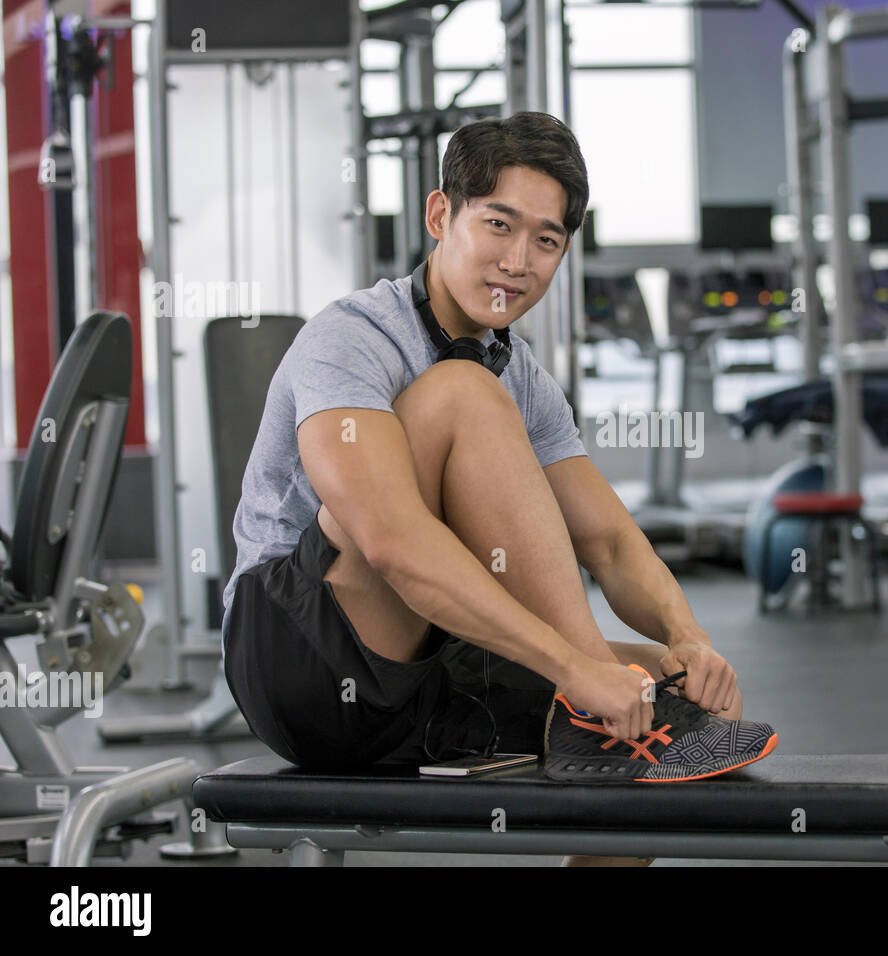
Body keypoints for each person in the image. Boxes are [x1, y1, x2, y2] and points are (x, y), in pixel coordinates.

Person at [219, 113, 778, 863]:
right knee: (464, 392)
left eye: (546, 241)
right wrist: (579, 671)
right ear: (440, 214)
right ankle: (584, 707)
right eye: (499, 225)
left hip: (426, 666)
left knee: (662, 689)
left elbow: (609, 542)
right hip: (298, 659)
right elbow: (390, 542)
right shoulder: (351, 337)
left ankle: (598, 720)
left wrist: (688, 637)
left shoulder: (523, 375)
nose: (519, 261)